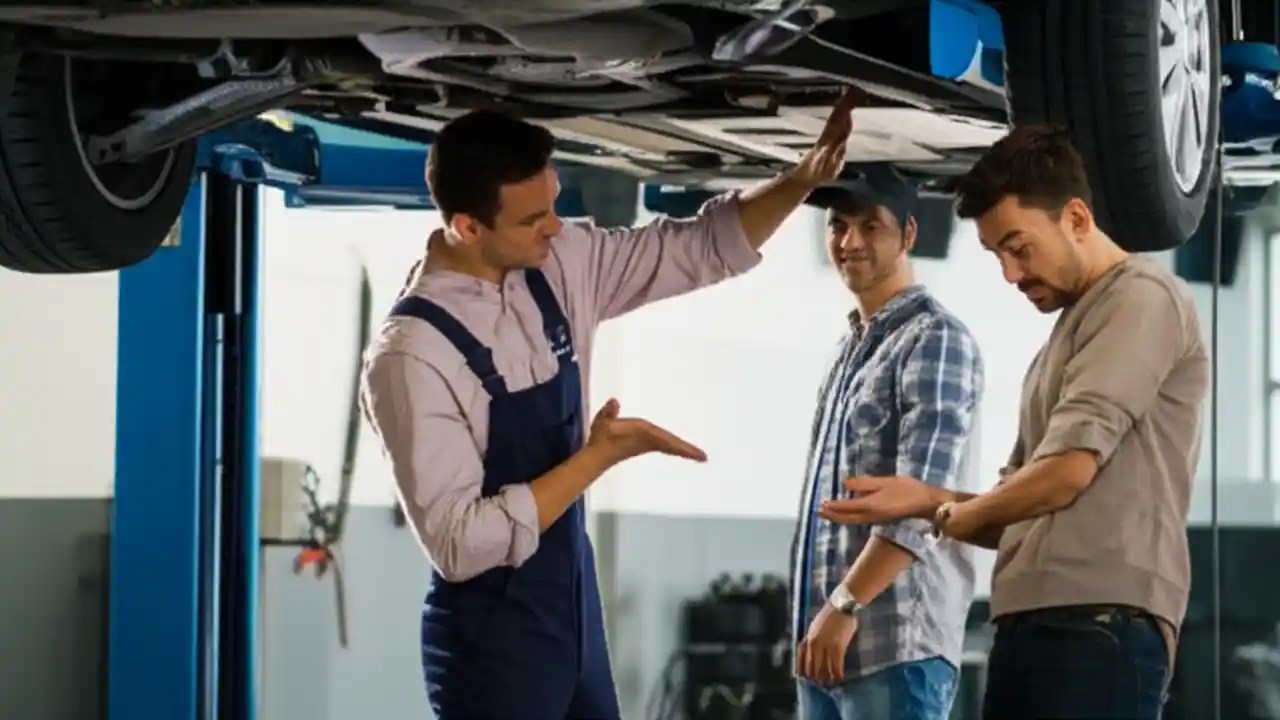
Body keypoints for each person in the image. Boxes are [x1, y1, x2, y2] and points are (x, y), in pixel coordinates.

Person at [360, 89, 863, 720]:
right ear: (466, 227)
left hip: (573, 606)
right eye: (531, 219)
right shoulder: (412, 356)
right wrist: (595, 460)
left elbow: (697, 247)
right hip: (493, 639)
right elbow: (461, 544)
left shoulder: (557, 261)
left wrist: (800, 181)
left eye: (553, 205)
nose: (554, 226)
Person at [816, 126, 1210, 720]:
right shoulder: (1071, 332)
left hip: (1097, 625)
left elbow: (1064, 476)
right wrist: (928, 500)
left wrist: (948, 514)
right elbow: (1020, 507)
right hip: (1043, 622)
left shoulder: (1142, 299)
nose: (1009, 273)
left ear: (1076, 218)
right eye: (998, 255)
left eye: (1019, 247)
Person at [791, 167, 984, 720]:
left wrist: (844, 605)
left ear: (909, 235)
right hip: (826, 644)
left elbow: (920, 502)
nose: (850, 242)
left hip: (893, 648)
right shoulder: (849, 348)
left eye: (870, 226)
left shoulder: (935, 339)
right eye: (838, 226)